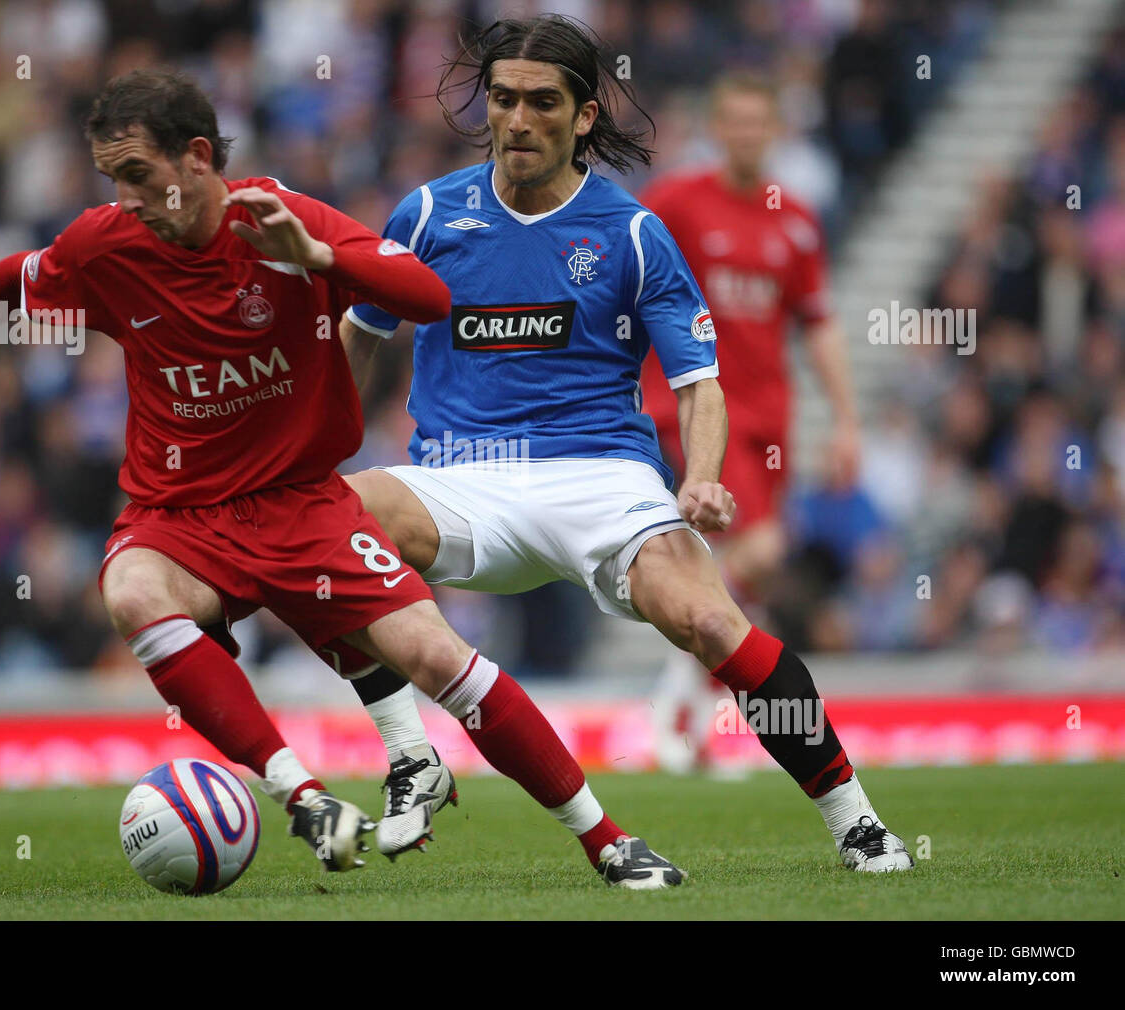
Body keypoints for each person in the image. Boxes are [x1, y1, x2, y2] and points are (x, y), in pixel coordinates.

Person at [0, 68, 681, 888]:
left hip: (304, 504)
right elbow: (7, 280)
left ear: (198, 157)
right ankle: (300, 795)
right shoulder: (106, 244)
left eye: (137, 174)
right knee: (129, 588)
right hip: (181, 513)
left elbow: (427, 297)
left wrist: (315, 254)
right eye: (111, 178)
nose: (123, 196)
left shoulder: (281, 222)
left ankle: (609, 843)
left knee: (437, 657)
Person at [337, 16, 913, 872]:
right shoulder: (426, 214)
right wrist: (314, 447)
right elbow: (358, 333)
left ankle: (857, 821)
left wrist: (703, 478)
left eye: (542, 102)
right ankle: (410, 756)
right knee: (326, 521)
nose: (518, 120)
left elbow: (697, 383)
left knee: (713, 624)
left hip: (602, 475)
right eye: (502, 99)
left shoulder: (632, 231)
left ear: (583, 116)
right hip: (460, 477)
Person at [637, 70, 862, 773]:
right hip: (700, 408)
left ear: (775, 131)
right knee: (756, 550)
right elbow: (620, 276)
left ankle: (694, 719)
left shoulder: (794, 219)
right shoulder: (675, 202)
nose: (743, 133)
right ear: (715, 127)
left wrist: (847, 420)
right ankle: (677, 692)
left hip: (770, 418)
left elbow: (819, 325)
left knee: (747, 577)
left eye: (755, 122)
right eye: (730, 120)